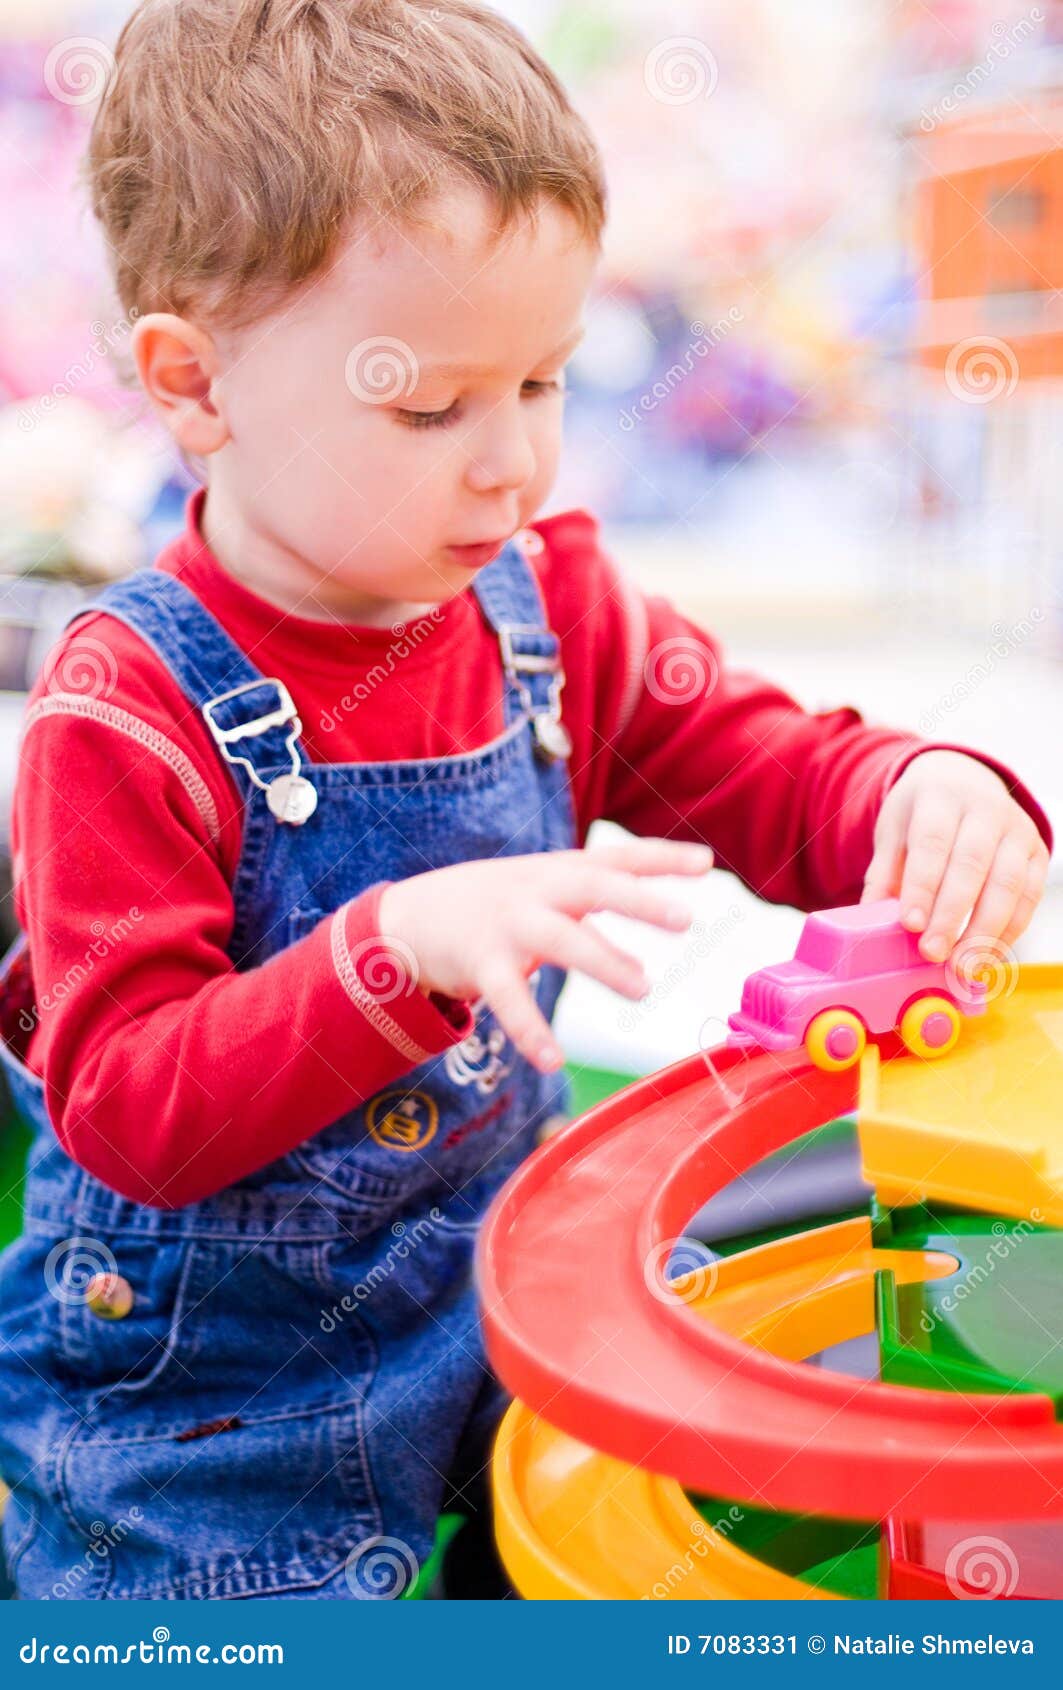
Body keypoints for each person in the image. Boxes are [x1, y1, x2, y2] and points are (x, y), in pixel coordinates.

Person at [0, 0, 1050, 1601]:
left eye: (545, 381)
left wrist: (924, 788)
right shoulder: (123, 707)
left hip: (511, 1268)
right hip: (213, 1393)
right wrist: (391, 948)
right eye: (431, 408)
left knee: (743, 1474)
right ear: (193, 384)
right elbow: (132, 1111)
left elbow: (767, 770)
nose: (514, 467)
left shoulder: (545, 599)